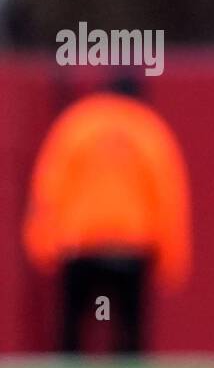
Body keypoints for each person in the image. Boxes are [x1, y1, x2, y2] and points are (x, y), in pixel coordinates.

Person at [23, 74, 191, 353]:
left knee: (72, 330)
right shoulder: (148, 128)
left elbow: (48, 187)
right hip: (130, 247)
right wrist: (172, 259)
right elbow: (168, 196)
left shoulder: (77, 123)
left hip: (80, 244)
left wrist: (41, 242)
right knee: (130, 332)